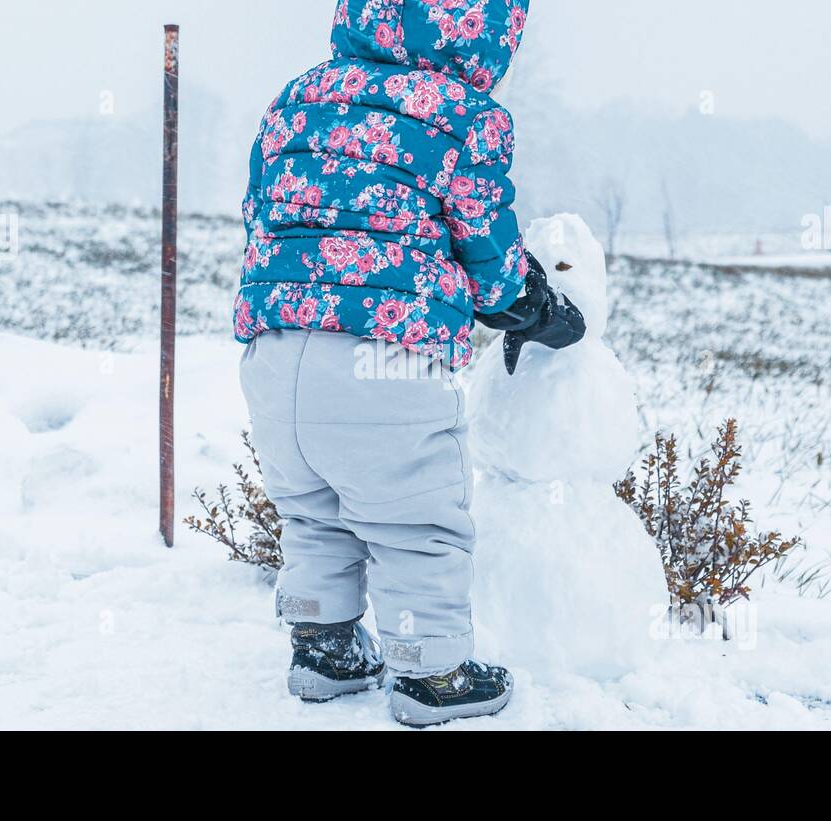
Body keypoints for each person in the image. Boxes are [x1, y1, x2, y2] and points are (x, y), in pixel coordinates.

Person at [233, 0, 583, 726]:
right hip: (383, 358)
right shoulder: (461, 117)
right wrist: (534, 307)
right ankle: (434, 674)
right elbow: (488, 250)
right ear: (486, 32)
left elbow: (257, 211)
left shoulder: (297, 98)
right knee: (415, 520)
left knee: (313, 509)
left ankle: (323, 647)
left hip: (271, 352)